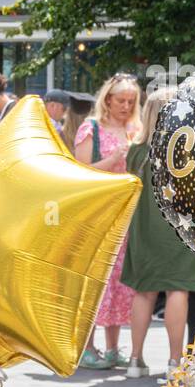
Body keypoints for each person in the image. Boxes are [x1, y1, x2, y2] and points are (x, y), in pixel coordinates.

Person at [120, 87, 195, 377]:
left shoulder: (135, 152)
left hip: (143, 231)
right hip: (177, 231)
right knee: (177, 290)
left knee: (143, 292)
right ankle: (174, 361)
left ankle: (134, 359)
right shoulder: (186, 151)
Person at [76, 74, 141, 369]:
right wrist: (114, 158)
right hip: (99, 214)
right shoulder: (91, 128)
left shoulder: (135, 128)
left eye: (131, 101)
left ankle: (113, 347)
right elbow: (81, 173)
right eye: (121, 101)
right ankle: (87, 347)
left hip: (127, 215)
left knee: (118, 283)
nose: (126, 106)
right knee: (96, 280)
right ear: (107, 100)